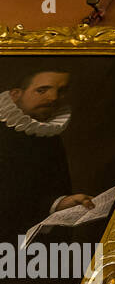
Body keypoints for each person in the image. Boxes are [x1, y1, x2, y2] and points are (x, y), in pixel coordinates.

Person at [0, 68, 93, 238]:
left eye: (61, 91)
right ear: (15, 94)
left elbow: (35, 192)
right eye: (42, 90)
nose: (54, 98)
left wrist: (60, 203)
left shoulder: (47, 135)